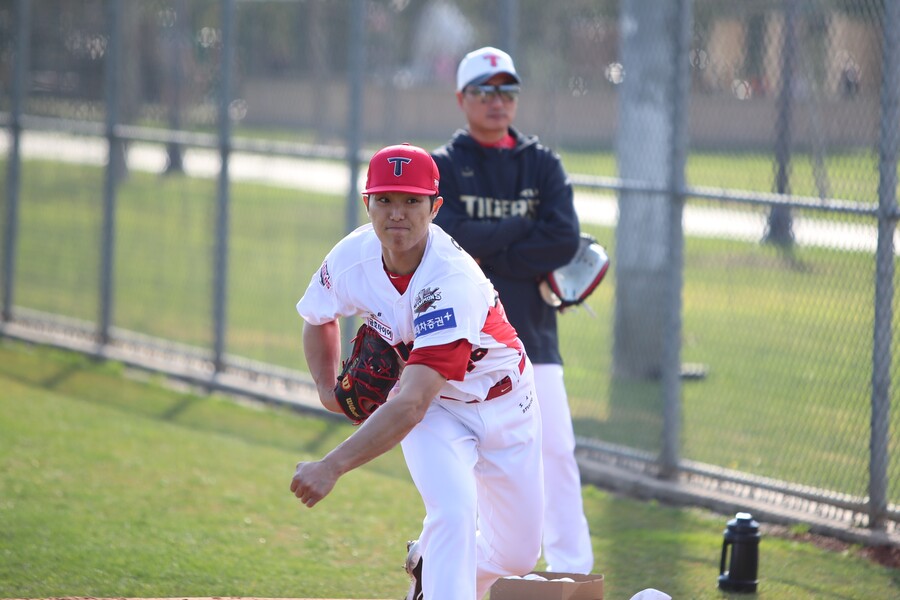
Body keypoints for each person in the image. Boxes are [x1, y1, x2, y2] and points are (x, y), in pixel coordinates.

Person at [291, 142, 544, 600]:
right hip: (439, 412)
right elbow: (317, 316)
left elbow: (408, 404)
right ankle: (441, 577)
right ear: (366, 202)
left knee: (517, 557)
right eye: (385, 199)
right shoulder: (352, 258)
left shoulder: (451, 281)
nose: (397, 214)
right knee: (453, 512)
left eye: (412, 200)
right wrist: (327, 389)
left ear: (435, 207)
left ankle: (429, 566)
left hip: (506, 401)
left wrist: (332, 466)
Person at [432, 46, 595, 574]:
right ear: (462, 98)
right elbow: (443, 237)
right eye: (484, 90)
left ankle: (570, 569)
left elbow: (564, 239)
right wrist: (524, 233)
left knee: (557, 453)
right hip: (459, 344)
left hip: (533, 337)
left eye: (507, 90)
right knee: (467, 472)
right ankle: (463, 569)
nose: (497, 100)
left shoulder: (542, 164)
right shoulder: (445, 166)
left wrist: (488, 253)